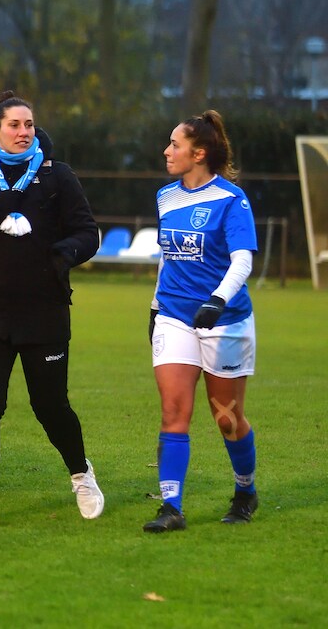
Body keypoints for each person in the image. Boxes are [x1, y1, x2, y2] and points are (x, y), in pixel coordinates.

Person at [0, 91, 104, 529]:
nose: (23, 132)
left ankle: (81, 474)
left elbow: (89, 233)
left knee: (50, 406)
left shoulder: (57, 177)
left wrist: (61, 255)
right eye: (14, 124)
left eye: (28, 125)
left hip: (45, 313)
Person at [142, 110, 259, 533]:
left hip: (224, 321)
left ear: (200, 152)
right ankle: (171, 507)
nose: (167, 151)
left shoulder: (231, 200)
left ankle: (245, 489)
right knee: (174, 410)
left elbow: (242, 259)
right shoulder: (165, 197)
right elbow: (167, 257)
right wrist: (156, 307)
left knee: (226, 416)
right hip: (175, 316)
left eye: (175, 144)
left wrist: (216, 300)